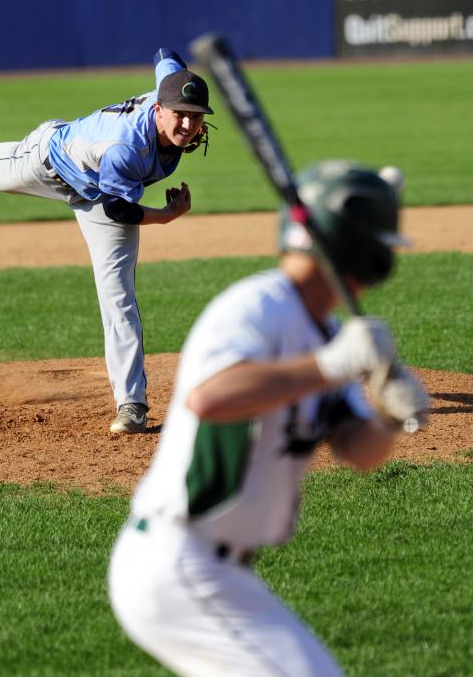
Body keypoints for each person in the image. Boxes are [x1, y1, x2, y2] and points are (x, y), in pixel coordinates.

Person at [108, 160, 429, 676]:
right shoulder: (257, 308)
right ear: (356, 247)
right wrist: (331, 366)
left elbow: (358, 452)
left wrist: (388, 417)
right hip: (178, 563)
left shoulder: (324, 333)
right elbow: (211, 397)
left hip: (223, 574)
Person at [0, 0, 215, 435]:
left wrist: (177, 75)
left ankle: (132, 405)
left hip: (95, 187)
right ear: (158, 108)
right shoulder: (126, 148)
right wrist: (166, 215)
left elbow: (164, 56)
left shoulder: (170, 88)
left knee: (119, 295)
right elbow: (119, 208)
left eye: (196, 115)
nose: (189, 125)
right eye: (180, 114)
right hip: (49, 163)